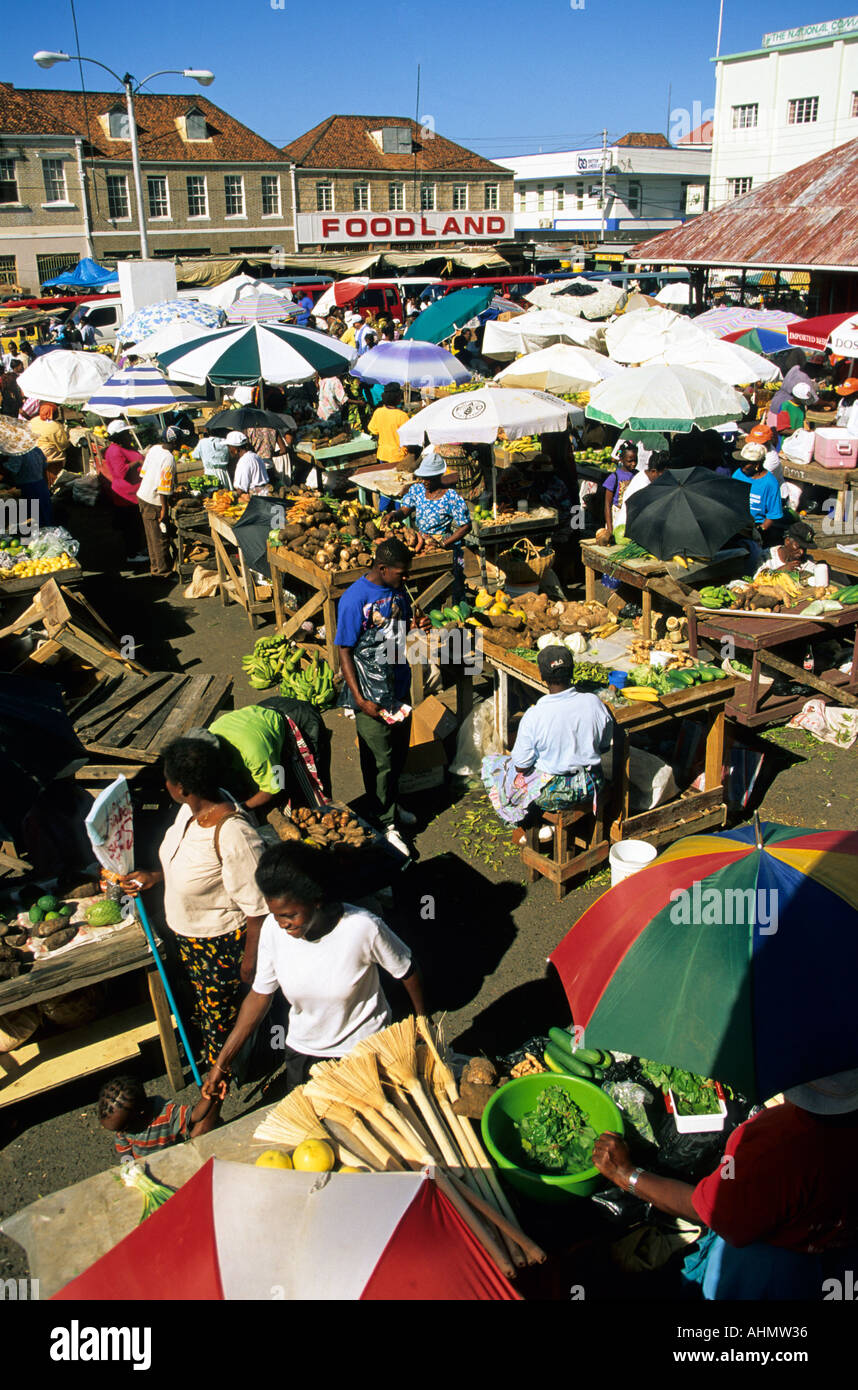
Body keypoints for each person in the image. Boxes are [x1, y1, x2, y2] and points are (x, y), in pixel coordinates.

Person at [593, 1069, 858, 1301]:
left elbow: (708, 1209)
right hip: (826, 1243)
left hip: (767, 1263)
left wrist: (626, 1175)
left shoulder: (780, 1143)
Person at [201, 841, 426, 1097]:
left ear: (316, 901)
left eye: (290, 915)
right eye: (275, 914)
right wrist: (223, 1063)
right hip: (304, 1056)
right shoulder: (273, 931)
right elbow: (259, 996)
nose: (282, 923)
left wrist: (421, 1023)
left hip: (365, 1051)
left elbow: (406, 969)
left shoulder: (362, 927)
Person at [120, 738, 269, 1067]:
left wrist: (249, 963)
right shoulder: (188, 813)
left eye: (168, 778)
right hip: (190, 940)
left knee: (220, 1022)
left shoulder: (234, 836)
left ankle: (219, 1086)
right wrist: (156, 877)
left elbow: (258, 910)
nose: (166, 783)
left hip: (221, 948)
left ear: (181, 787)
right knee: (202, 1006)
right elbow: (192, 866)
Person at [336, 537, 428, 855]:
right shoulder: (353, 599)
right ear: (382, 568)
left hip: (398, 687)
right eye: (402, 573)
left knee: (399, 752)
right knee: (381, 758)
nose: (407, 579)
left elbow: (398, 631)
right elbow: (344, 651)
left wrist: (415, 626)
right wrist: (360, 699)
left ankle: (391, 804)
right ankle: (385, 823)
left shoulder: (398, 590)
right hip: (368, 693)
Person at [481, 646, 614, 844]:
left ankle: (527, 824)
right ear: (572, 671)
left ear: (542, 677)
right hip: (592, 783)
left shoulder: (535, 715)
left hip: (554, 793)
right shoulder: (594, 703)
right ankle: (546, 826)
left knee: (493, 765)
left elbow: (521, 765)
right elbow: (604, 747)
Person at [203, 700, 329, 814]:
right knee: (283, 782)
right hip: (264, 718)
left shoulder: (254, 752)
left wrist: (240, 809)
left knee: (311, 789)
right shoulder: (212, 734)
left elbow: (272, 789)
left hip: (299, 719)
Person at [388, 451, 471, 600]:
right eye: (423, 477)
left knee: (450, 588)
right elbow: (405, 510)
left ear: (438, 477)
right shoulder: (417, 490)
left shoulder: (451, 496)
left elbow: (465, 526)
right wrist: (394, 514)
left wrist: (445, 543)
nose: (424, 481)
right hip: (423, 543)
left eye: (429, 478)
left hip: (444, 545)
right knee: (425, 585)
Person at [98, 1073, 219, 1159]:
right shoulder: (124, 1129)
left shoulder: (167, 1114)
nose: (121, 1133)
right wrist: (128, 1163)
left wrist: (208, 1096)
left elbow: (195, 1115)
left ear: (141, 1114)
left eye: (123, 1129)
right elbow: (123, 1146)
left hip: (172, 1162)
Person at [137, 427, 179, 577]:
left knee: (151, 536)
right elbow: (163, 488)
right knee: (160, 538)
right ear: (174, 441)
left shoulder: (154, 449)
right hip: (154, 500)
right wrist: (164, 509)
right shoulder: (169, 458)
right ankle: (162, 572)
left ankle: (155, 568)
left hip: (143, 496)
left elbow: (143, 473)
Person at [103, 420, 147, 563]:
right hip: (125, 495)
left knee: (136, 524)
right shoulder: (115, 450)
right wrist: (138, 463)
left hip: (135, 491)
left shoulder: (126, 447)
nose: (129, 435)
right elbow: (121, 472)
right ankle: (132, 554)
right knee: (130, 525)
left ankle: (138, 549)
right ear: (119, 436)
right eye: (126, 433)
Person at [732, 442, 785, 537]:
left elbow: (772, 515)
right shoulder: (738, 474)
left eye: (745, 463)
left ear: (757, 464)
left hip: (755, 527)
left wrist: (759, 531)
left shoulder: (770, 483)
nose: (741, 464)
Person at [614, 451, 668, 531]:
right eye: (663, 475)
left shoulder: (645, 475)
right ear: (653, 472)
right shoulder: (642, 486)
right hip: (627, 529)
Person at [29, 402, 70, 485]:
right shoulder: (56, 426)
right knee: (61, 455)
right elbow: (63, 445)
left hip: (32, 453)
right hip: (49, 457)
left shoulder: (33, 420)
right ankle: (53, 485)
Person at [368, 383, 409, 467]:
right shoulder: (402, 415)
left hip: (382, 454)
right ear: (398, 398)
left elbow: (373, 430)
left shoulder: (378, 412)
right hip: (397, 456)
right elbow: (409, 437)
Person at [602, 443, 637, 541]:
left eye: (635, 460)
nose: (633, 463)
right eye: (630, 461)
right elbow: (607, 505)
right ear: (621, 459)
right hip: (616, 516)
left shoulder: (638, 475)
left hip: (630, 515)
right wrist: (610, 528)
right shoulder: (614, 477)